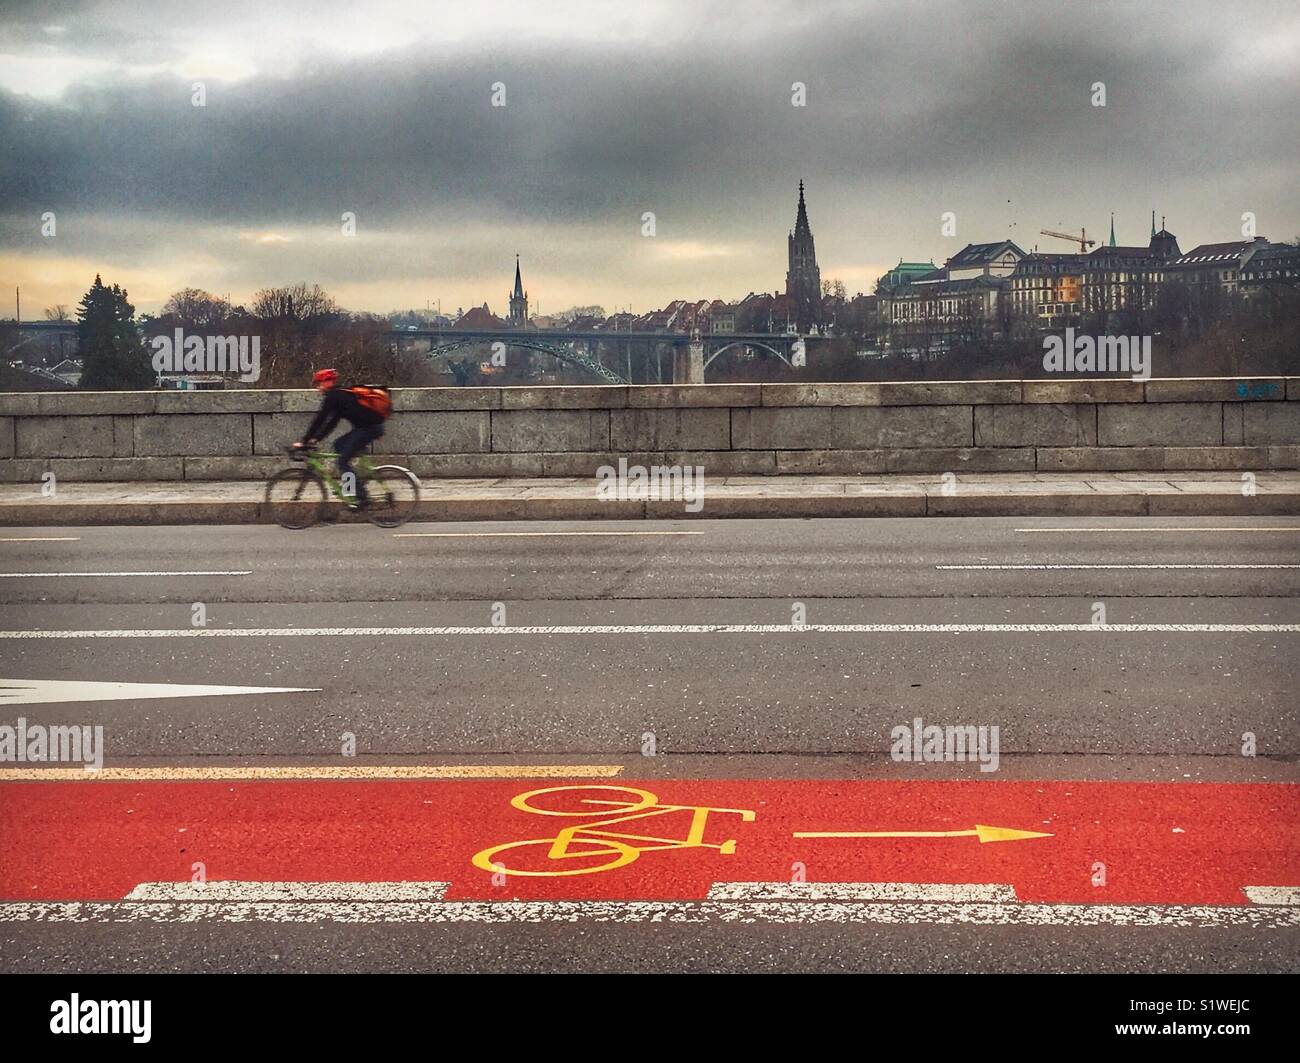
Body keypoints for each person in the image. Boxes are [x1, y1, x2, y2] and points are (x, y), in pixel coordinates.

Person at [293, 369, 387, 507]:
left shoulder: (333, 396)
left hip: (368, 429)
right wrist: (316, 438)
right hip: (369, 428)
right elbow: (332, 423)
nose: (318, 388)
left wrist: (305, 441)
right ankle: (350, 490)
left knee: (342, 461)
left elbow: (320, 419)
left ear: (327, 382)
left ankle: (361, 497)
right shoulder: (340, 394)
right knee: (338, 445)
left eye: (319, 384)